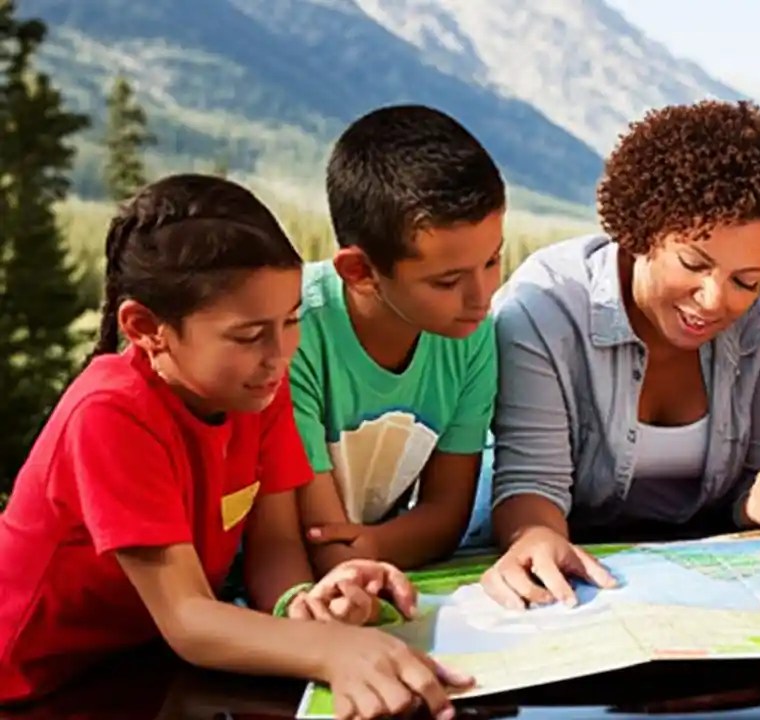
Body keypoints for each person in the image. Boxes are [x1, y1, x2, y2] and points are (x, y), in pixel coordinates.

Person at [0, 175, 472, 720]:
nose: (279, 354)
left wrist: (309, 604)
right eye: (249, 335)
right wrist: (332, 651)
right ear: (146, 326)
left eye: (292, 320)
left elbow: (274, 549)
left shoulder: (257, 393)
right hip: (31, 688)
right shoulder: (111, 413)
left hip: (138, 673)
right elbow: (187, 618)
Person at [480, 100, 760, 610]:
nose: (716, 300)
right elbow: (530, 485)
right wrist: (533, 537)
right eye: (694, 263)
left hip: (705, 586)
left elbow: (758, 481)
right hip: (583, 588)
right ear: (643, 231)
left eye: (746, 281)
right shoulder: (544, 309)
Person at [290, 104, 504, 574]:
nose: (482, 297)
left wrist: (366, 548)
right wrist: (374, 549)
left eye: (493, 261)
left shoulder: (470, 334)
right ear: (361, 272)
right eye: (447, 282)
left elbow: (445, 519)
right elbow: (317, 538)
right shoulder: (290, 330)